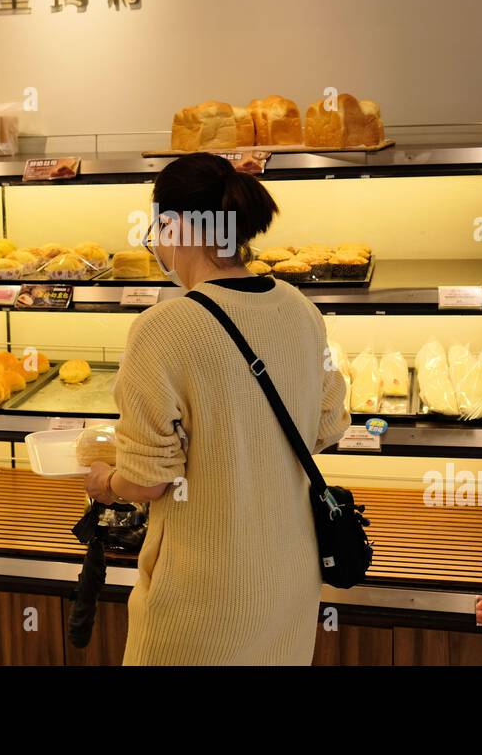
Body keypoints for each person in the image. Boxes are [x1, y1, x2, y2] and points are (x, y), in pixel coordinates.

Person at [84, 152, 350, 665]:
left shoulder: (163, 328)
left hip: (203, 598)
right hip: (289, 581)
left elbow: (146, 481)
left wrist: (103, 480)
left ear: (176, 227)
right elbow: (329, 425)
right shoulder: (299, 308)